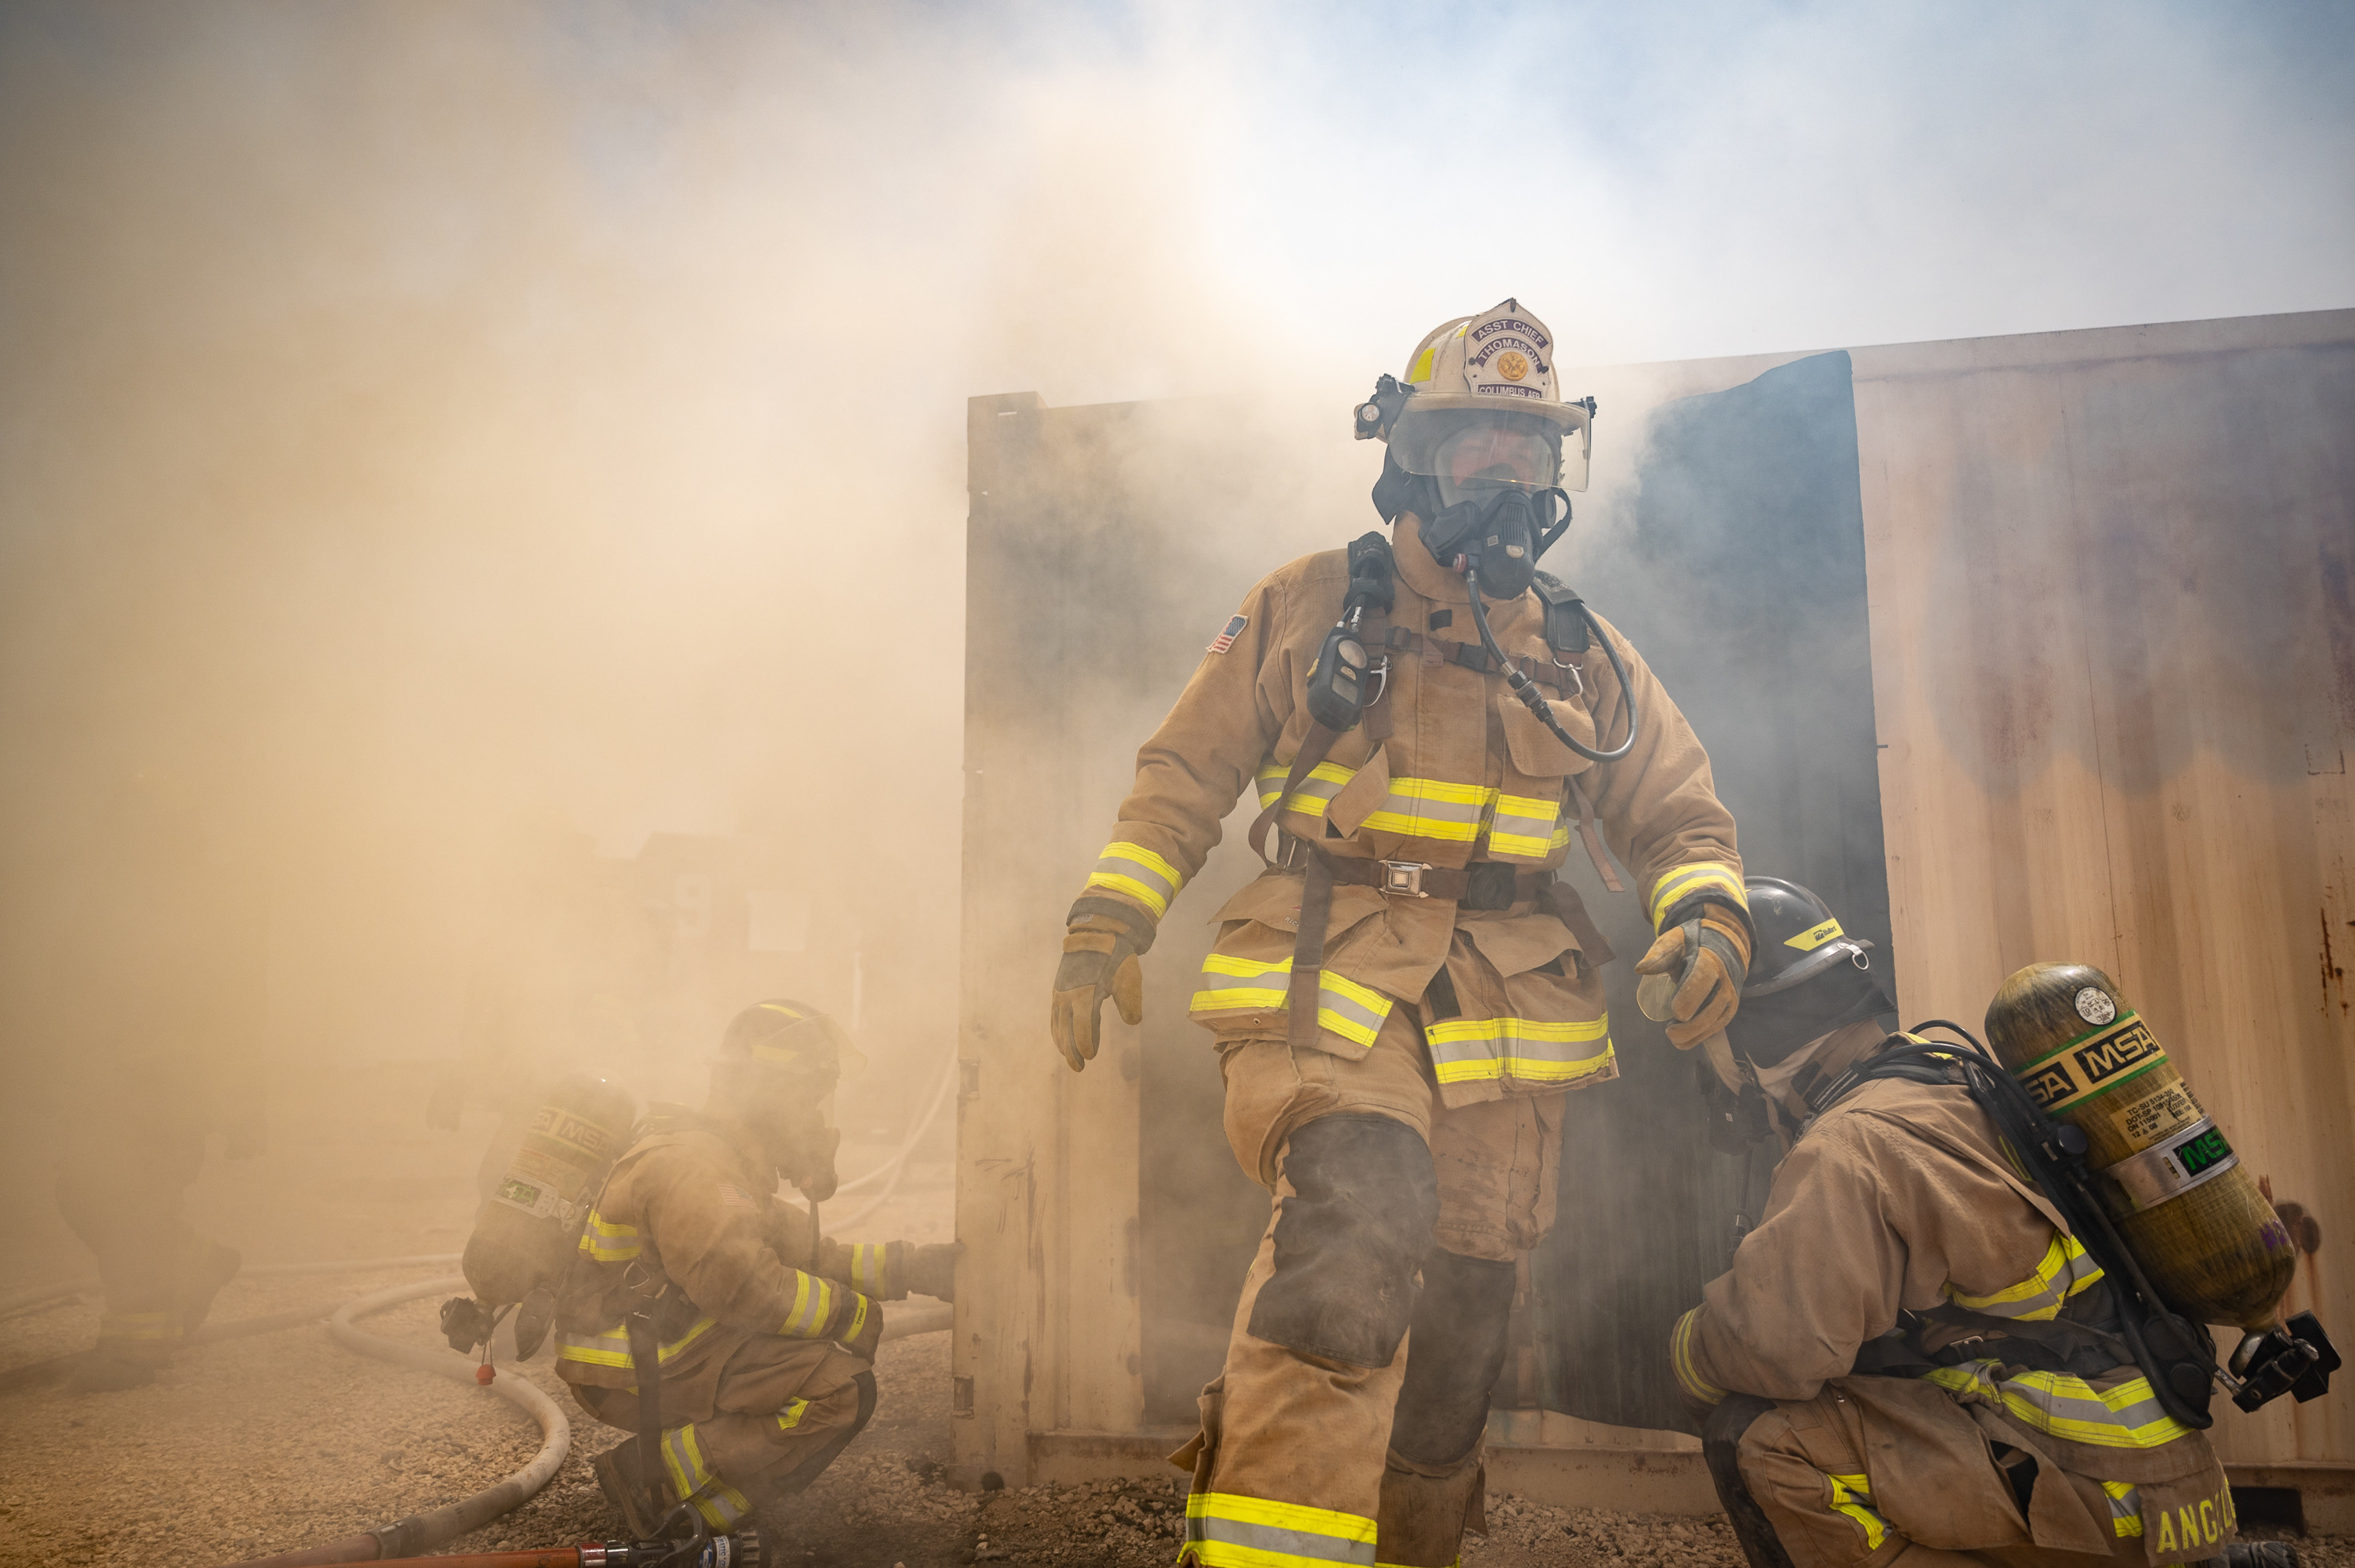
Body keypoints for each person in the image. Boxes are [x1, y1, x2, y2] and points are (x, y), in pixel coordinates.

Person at [1048, 299, 1752, 1568]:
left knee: (1460, 1331)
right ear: (1414, 454)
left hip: (1504, 1029)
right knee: (1355, 1239)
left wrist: (1705, 914)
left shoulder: (1580, 650)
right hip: (1328, 984)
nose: (1511, 473)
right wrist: (1109, 915)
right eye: (1482, 442)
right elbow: (1182, 777)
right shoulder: (1304, 604)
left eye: (1533, 448)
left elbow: (1677, 813)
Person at [1671, 879, 2259, 1568]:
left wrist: (1686, 1355)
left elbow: (1776, 1347)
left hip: (2106, 1493)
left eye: (1711, 1039)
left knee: (1760, 1436)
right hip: (2170, 1483)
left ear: (1750, 1034)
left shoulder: (1850, 1143)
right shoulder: (1945, 1075)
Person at [552, 1000, 959, 1539]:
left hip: (664, 1339)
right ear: (767, 1094)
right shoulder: (697, 1168)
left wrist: (916, 1269)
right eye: (806, 1099)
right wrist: (850, 1314)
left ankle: (704, 1515)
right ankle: (650, 1479)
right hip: (631, 1359)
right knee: (837, 1388)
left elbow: (810, 1254)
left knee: (811, 1360)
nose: (815, 1118)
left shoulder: (727, 1159)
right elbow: (744, 1288)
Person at [50, 770, 266, 1392]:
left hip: (168, 1094)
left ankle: (132, 1347)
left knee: (132, 1206)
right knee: (83, 1193)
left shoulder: (200, 912)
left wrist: (241, 1104)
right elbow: (79, 995)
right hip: (109, 1091)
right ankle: (197, 1261)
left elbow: (236, 1014)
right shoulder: (107, 907)